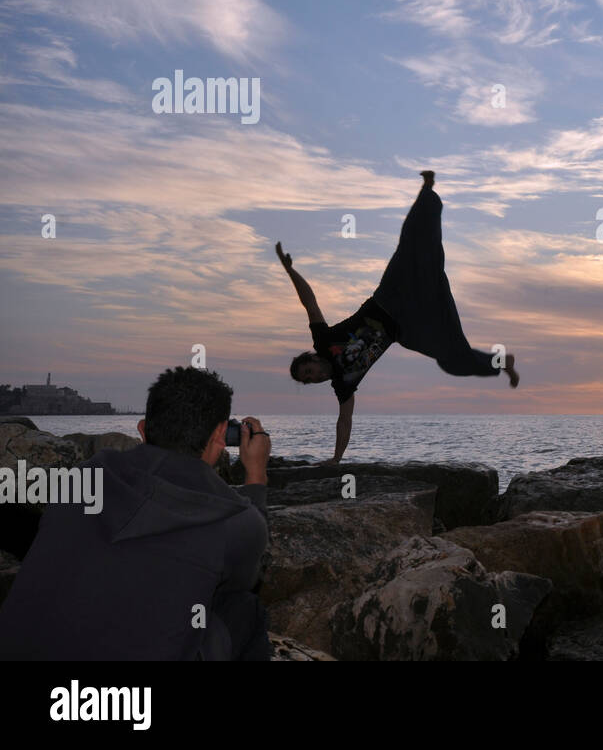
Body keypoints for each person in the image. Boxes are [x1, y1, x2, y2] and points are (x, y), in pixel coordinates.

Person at [0, 367, 272, 660]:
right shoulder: (235, 519)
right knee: (245, 608)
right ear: (221, 434)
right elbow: (246, 576)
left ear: (142, 429)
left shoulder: (84, 475)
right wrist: (256, 475)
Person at [281, 170, 518, 464]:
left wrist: (290, 271)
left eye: (309, 371)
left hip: (388, 295)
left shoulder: (323, 340)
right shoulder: (343, 384)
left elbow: (310, 303)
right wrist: (336, 459)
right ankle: (501, 362)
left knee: (412, 248)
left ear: (313, 358)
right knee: (451, 356)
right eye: (309, 380)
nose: (314, 377)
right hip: (407, 330)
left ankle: (427, 191)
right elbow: (344, 422)